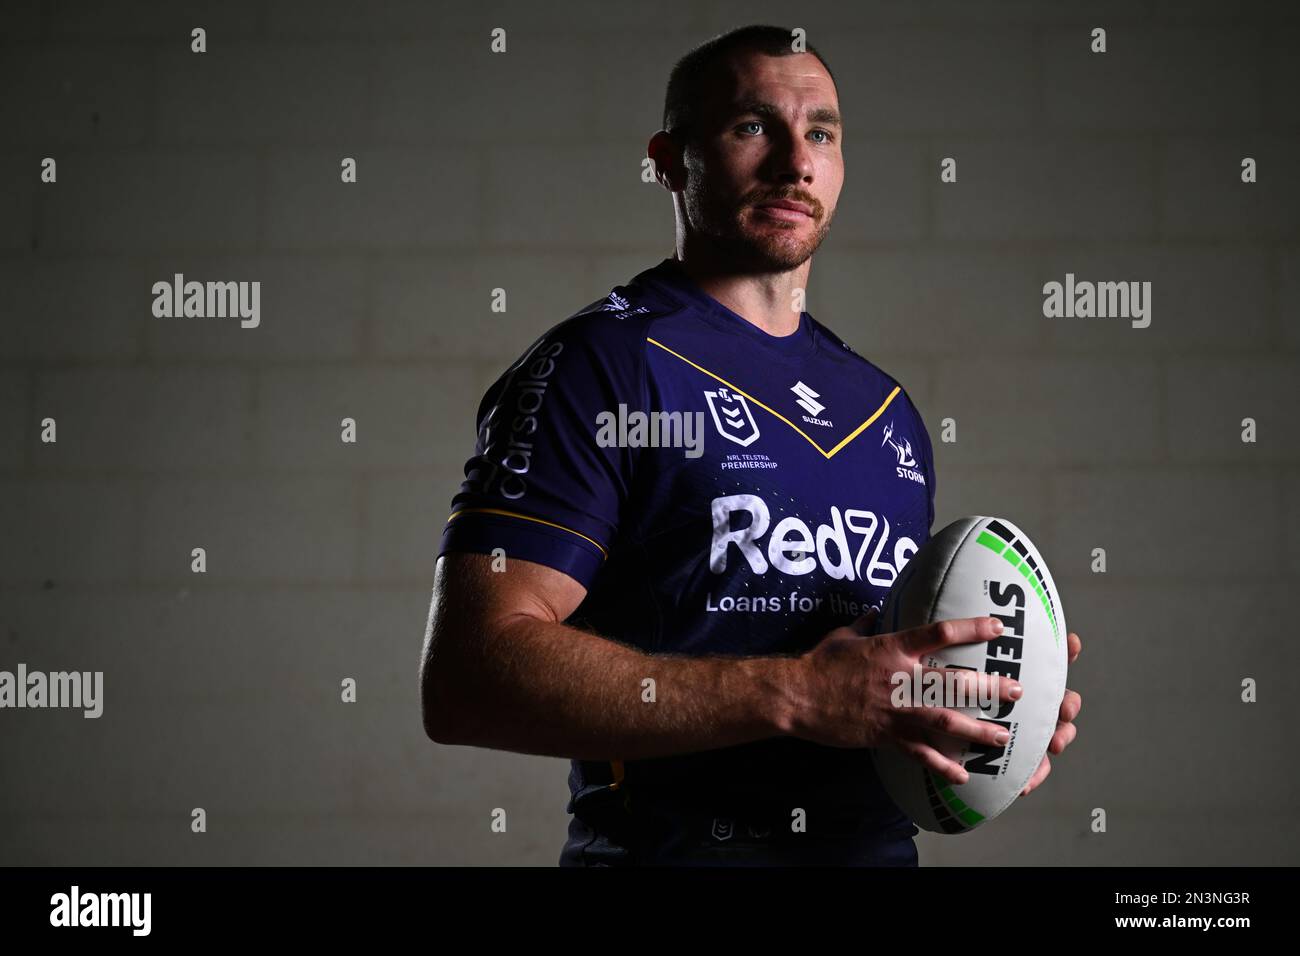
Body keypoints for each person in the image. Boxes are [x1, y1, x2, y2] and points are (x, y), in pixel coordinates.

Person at [420, 24, 1082, 866]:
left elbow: (872, 684)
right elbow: (470, 676)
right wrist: (796, 694)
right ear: (669, 159)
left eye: (821, 133)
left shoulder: (884, 409)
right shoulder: (605, 366)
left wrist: (991, 700)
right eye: (751, 126)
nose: (794, 163)